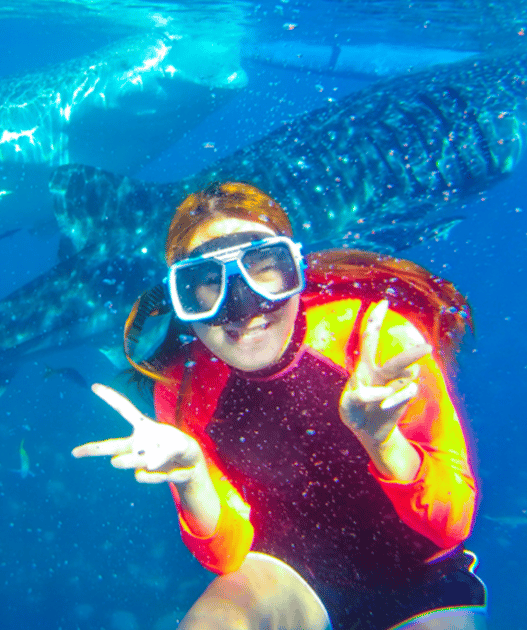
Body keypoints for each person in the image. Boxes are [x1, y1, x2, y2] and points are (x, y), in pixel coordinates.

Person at [73, 182, 486, 630]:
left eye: (264, 267)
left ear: (297, 268)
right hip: (286, 571)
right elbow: (228, 554)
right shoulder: (184, 384)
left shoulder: (377, 340)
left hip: (421, 573)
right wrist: (193, 479)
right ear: (180, 299)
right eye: (208, 282)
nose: (243, 306)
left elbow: (451, 525)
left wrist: (383, 440)